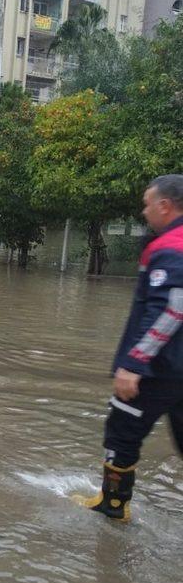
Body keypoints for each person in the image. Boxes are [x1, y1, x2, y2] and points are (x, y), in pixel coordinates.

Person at [76, 175, 183, 521]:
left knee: (122, 430)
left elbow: (171, 309)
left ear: (165, 206)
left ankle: (113, 505)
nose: (144, 209)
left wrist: (135, 363)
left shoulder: (170, 247)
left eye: (147, 202)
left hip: (161, 368)